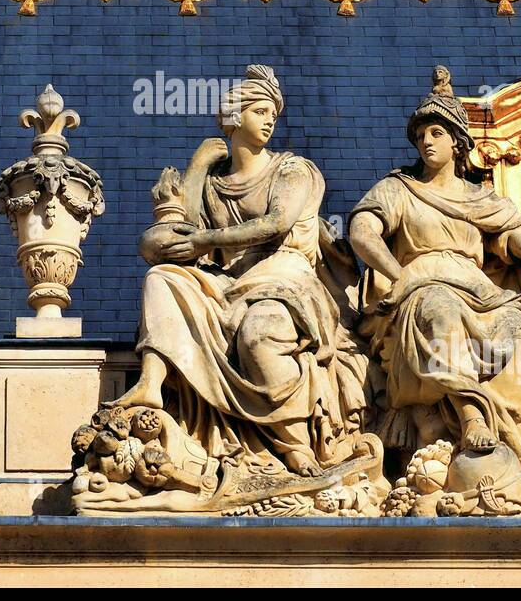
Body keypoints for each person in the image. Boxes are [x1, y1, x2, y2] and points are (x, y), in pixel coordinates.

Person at [347, 66, 521, 497]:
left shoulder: (480, 198)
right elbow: (362, 233)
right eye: (420, 136)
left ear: (457, 142)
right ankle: (471, 413)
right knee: (440, 312)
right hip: (423, 285)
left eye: (435, 133)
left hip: (480, 291)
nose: (426, 142)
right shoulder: (400, 189)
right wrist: (402, 279)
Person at [110, 65, 371, 476]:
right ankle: (151, 384)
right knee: (162, 278)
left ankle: (295, 441)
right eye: (260, 110)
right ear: (234, 116)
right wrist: (198, 167)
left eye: (273, 112)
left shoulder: (291, 169)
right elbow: (183, 234)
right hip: (230, 283)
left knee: (259, 334)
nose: (271, 119)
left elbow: (276, 223)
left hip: (287, 276)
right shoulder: (215, 182)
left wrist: (206, 241)